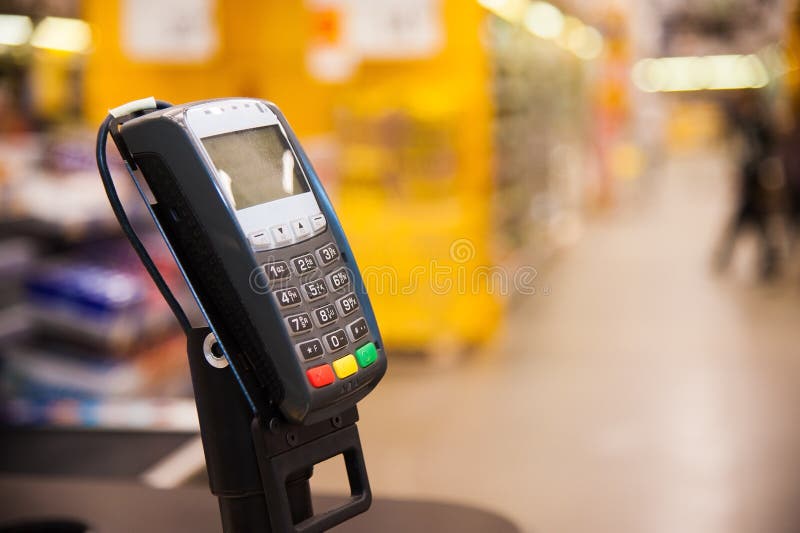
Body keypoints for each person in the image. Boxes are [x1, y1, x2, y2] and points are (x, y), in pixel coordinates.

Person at [715, 91, 781, 281]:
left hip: (755, 182)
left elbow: (767, 150)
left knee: (753, 223)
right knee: (753, 223)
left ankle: (765, 259)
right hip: (750, 182)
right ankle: (766, 259)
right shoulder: (745, 124)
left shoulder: (760, 124)